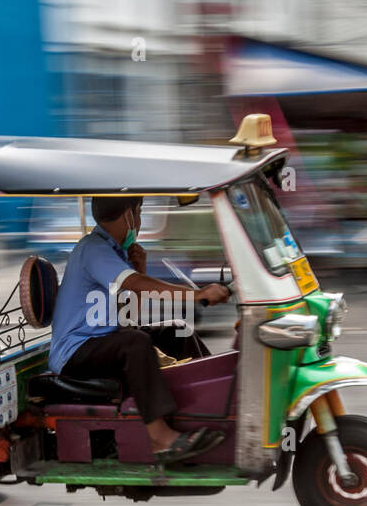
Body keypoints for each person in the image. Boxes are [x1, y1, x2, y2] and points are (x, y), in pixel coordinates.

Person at [48, 195, 231, 463]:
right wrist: (198, 294)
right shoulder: (94, 249)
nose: (140, 221)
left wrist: (138, 268)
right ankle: (159, 437)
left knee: (177, 330)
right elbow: (134, 286)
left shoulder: (114, 253)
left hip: (102, 341)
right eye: (140, 212)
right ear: (129, 216)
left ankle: (206, 408)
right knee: (135, 343)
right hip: (74, 353)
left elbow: (127, 319)